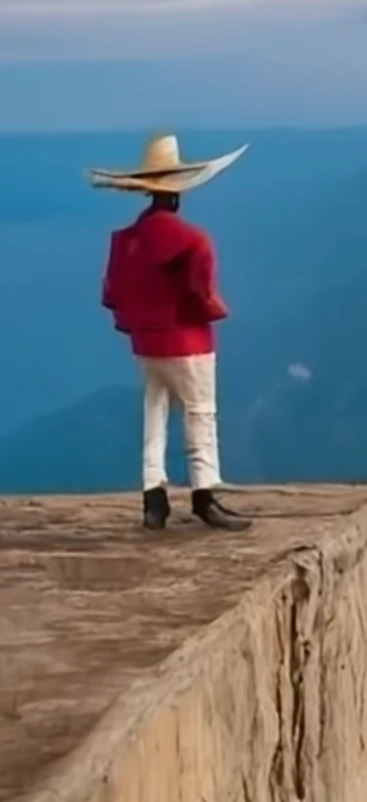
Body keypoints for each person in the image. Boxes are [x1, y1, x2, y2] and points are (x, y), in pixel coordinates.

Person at [89, 132, 252, 531]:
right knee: (199, 414)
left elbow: (111, 294)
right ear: (176, 193)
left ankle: (153, 498)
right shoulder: (194, 241)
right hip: (189, 343)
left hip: (146, 343)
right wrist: (214, 311)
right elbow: (203, 295)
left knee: (155, 412)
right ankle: (205, 495)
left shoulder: (125, 241)